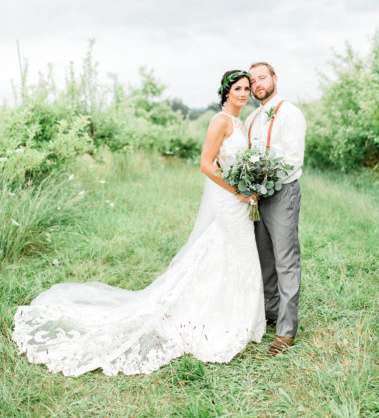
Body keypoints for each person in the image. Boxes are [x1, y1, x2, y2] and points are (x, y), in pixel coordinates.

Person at [12, 71, 266, 376]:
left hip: (240, 201)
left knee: (231, 254)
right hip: (228, 200)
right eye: (237, 88)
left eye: (246, 89)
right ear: (226, 93)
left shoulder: (241, 122)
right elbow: (205, 165)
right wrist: (237, 190)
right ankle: (221, 319)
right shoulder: (220, 121)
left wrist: (250, 183)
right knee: (235, 251)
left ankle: (234, 316)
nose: (243, 93)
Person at [244, 62, 306, 356]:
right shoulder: (252, 118)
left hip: (282, 193)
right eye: (252, 80)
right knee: (264, 258)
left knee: (285, 260)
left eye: (262, 78)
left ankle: (286, 331)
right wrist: (250, 185)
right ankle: (271, 312)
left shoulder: (291, 113)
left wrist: (266, 181)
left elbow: (293, 159)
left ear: (274, 79)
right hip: (257, 196)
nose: (257, 84)